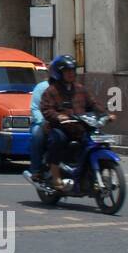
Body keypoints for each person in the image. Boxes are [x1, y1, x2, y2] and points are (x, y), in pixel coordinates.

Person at [40, 54, 109, 190]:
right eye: (67, 71)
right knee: (57, 139)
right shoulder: (52, 91)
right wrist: (58, 117)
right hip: (60, 128)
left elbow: (93, 104)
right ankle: (55, 176)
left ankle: (94, 172)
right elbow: (46, 109)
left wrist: (105, 114)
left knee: (98, 141)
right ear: (59, 73)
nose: (71, 73)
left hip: (79, 127)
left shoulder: (80, 89)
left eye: (72, 70)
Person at [27, 68, 52, 183]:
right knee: (38, 134)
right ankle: (36, 169)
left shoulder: (71, 88)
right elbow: (35, 108)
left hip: (63, 123)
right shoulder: (42, 87)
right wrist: (42, 122)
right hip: (43, 123)